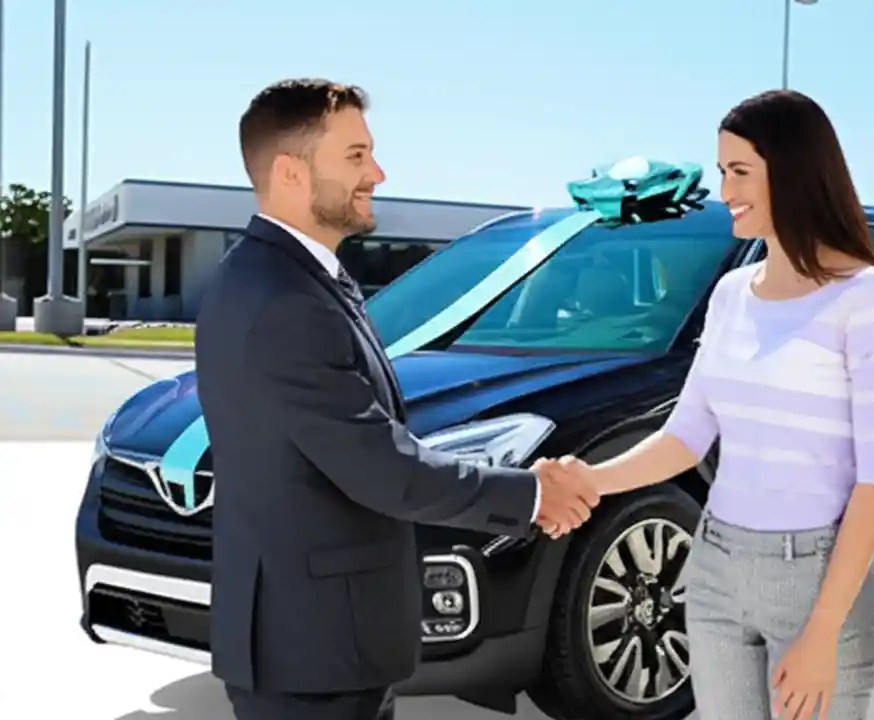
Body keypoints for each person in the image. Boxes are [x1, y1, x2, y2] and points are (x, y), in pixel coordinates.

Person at [194, 78, 599, 720]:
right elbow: (381, 468)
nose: (377, 172)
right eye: (355, 155)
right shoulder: (284, 301)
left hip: (316, 641)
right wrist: (530, 493)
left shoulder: (272, 278)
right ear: (291, 173)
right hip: (314, 655)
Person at [543, 89, 874, 720]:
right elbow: (685, 435)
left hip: (817, 578)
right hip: (714, 564)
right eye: (721, 171)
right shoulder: (732, 294)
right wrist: (588, 479)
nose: (725, 189)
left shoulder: (866, 300)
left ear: (793, 172)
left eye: (740, 172)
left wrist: (822, 635)